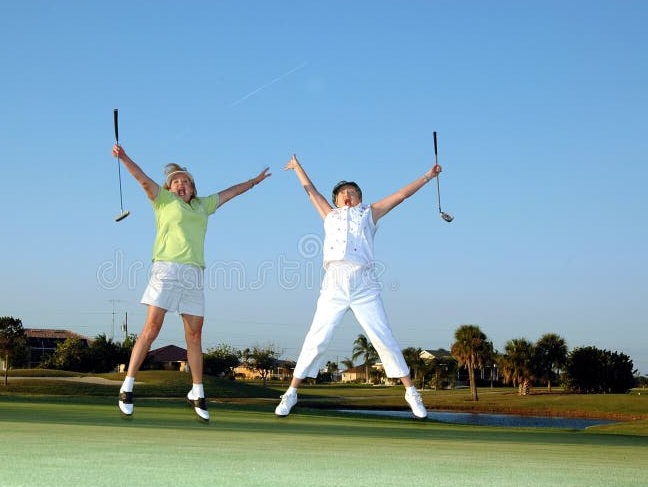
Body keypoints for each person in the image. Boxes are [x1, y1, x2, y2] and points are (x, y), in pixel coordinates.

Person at [275, 154, 442, 419]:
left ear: (360, 198)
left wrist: (428, 176)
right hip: (334, 281)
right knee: (317, 337)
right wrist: (298, 168)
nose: (347, 195)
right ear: (336, 200)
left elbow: (401, 195)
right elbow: (311, 192)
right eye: (343, 193)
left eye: (352, 192)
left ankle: (411, 393)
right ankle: (291, 393)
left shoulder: (369, 213)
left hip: (364, 282)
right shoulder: (329, 215)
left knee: (383, 336)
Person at [112, 143, 270, 421]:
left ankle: (197, 391)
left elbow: (230, 192)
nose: (181, 184)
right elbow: (141, 178)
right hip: (166, 270)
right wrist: (124, 157)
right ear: (169, 188)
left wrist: (254, 182)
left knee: (194, 335)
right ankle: (127, 386)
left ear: (193, 188)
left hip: (194, 274)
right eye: (176, 181)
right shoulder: (162, 200)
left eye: (186, 181)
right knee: (151, 328)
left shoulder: (202, 206)